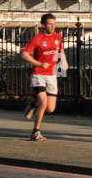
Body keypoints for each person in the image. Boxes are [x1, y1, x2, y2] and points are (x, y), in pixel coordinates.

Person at [20, 13, 65, 142]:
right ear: (43, 25)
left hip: (51, 75)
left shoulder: (57, 37)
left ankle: (33, 103)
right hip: (38, 74)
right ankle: (36, 132)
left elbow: (60, 50)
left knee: (50, 108)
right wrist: (39, 63)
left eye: (54, 24)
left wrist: (63, 62)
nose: (52, 27)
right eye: (49, 24)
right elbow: (24, 54)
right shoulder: (38, 39)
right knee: (44, 103)